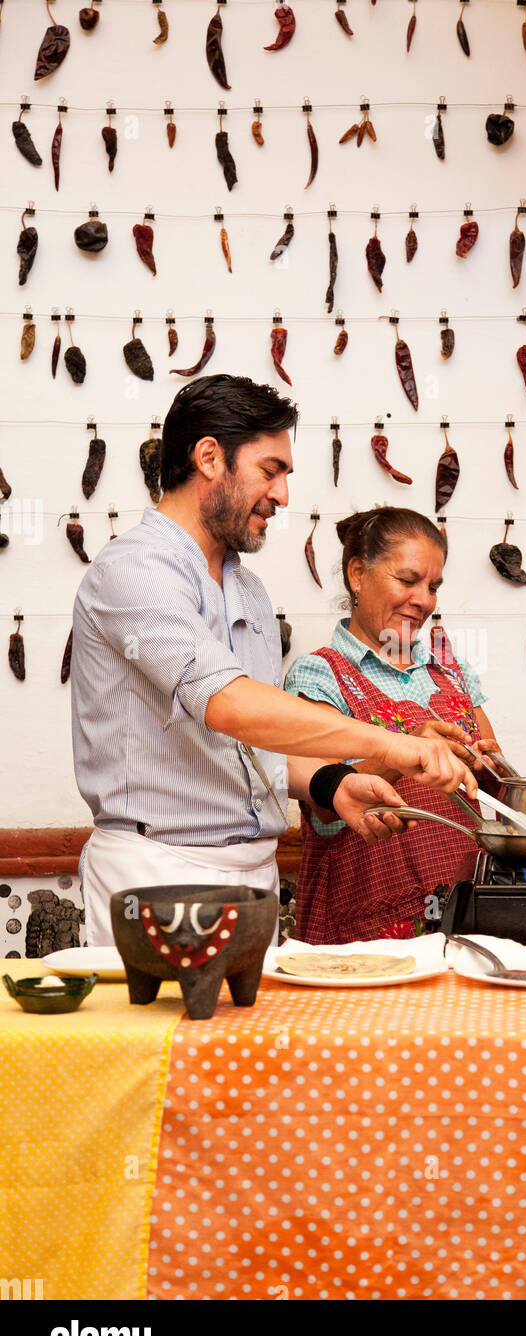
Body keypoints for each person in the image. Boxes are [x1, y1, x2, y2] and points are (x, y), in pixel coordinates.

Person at [71, 377, 475, 947]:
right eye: (271, 469)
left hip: (253, 875)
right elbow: (228, 704)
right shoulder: (135, 571)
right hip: (158, 873)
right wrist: (391, 744)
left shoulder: (251, 593)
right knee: (164, 1040)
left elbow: (250, 747)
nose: (283, 494)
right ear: (209, 457)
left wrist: (334, 783)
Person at [285, 507, 502, 942]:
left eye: (433, 586)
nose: (423, 599)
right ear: (357, 575)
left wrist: (488, 764)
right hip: (367, 920)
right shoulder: (319, 675)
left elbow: (493, 781)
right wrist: (405, 751)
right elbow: (324, 807)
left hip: (465, 912)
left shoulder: (450, 670)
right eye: (407, 580)